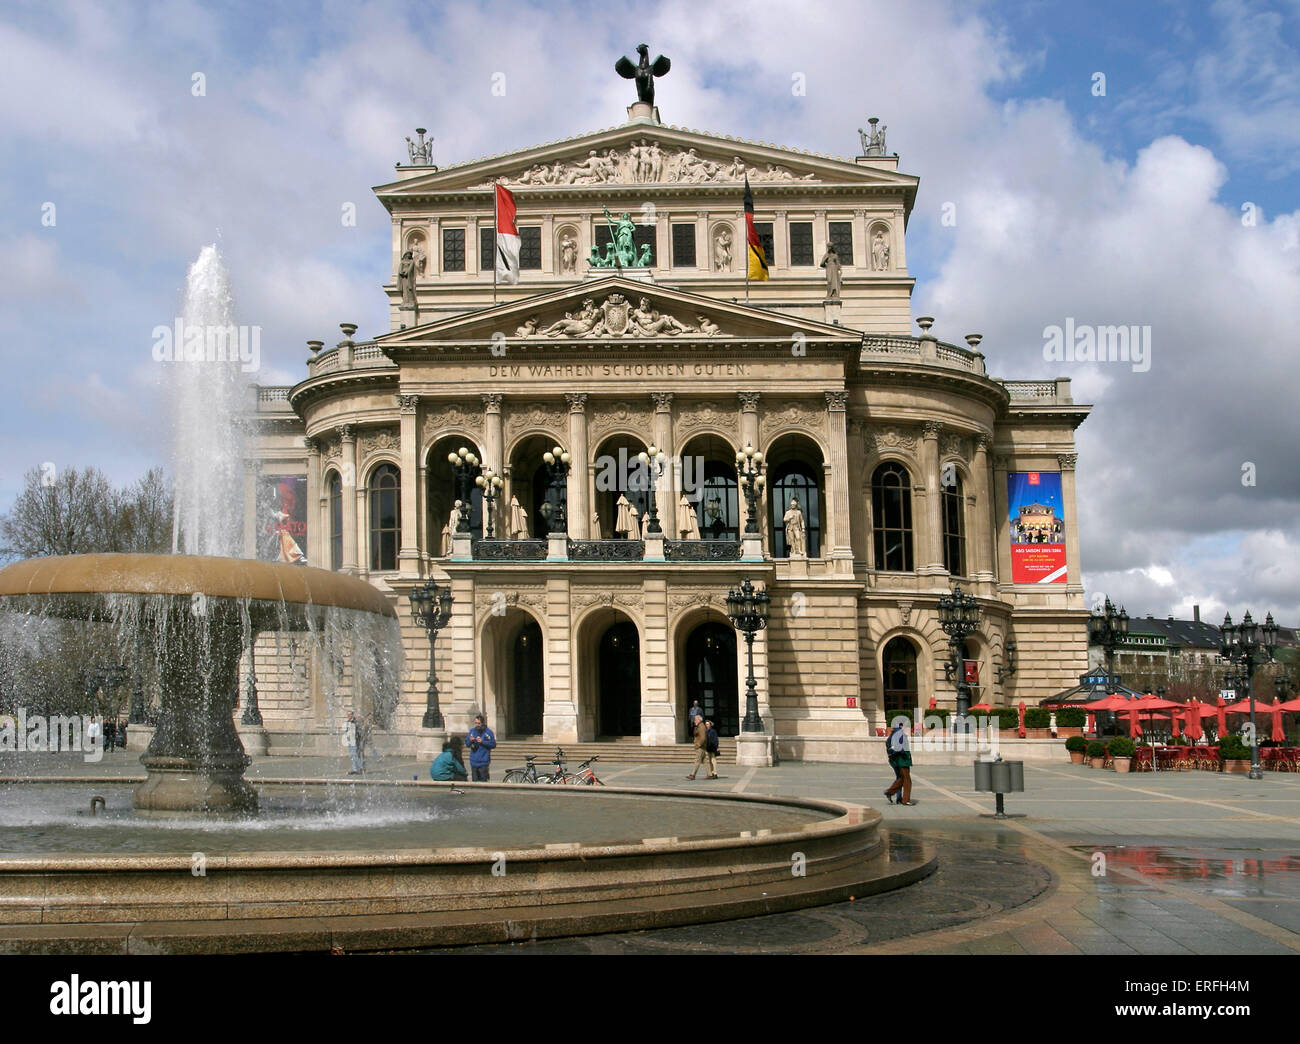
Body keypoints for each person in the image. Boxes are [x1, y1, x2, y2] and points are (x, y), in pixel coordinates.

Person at [883, 720, 915, 805]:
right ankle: (906, 800)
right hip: (902, 760)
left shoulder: (896, 732)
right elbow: (898, 746)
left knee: (902, 778)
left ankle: (890, 792)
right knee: (907, 780)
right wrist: (903, 752)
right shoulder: (899, 733)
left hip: (899, 760)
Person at [465, 714, 496, 782]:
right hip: (474, 761)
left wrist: (483, 742)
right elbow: (467, 744)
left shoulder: (488, 732)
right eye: (476, 723)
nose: (477, 725)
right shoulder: (472, 731)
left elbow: (493, 744)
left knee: (483, 781)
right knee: (475, 782)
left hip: (483, 762)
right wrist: (470, 740)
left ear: (482, 723)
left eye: (479, 723)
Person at [686, 714, 714, 780]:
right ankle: (710, 774)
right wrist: (695, 726)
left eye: (695, 719)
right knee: (704, 761)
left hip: (700, 747)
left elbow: (703, 738)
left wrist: (698, 745)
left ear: (699, 720)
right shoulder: (698, 726)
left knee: (697, 760)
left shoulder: (701, 726)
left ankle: (693, 775)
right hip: (701, 746)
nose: (694, 720)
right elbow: (695, 733)